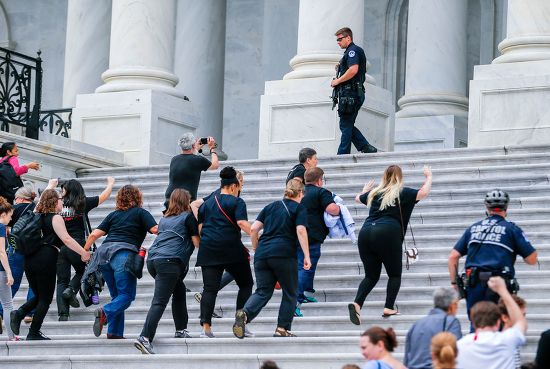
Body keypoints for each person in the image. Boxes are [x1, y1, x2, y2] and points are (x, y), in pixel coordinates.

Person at [349, 165, 432, 323]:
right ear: (399, 178)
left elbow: (357, 198)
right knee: (394, 274)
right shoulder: (402, 192)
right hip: (388, 233)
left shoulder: (375, 193)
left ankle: (357, 304)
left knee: (371, 275)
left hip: (365, 233)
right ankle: (388, 307)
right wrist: (428, 177)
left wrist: (364, 189)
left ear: (384, 177)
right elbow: (424, 192)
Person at [232, 179, 311, 338]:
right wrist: (307, 256)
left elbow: (254, 228)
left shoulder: (270, 206)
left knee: (263, 291)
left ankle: (245, 314)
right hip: (283, 254)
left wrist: (256, 247)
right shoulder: (299, 208)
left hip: (262, 254)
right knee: (290, 292)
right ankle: (282, 328)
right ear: (301, 193)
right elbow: (301, 231)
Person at [10, 189, 90, 340]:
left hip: (29, 259)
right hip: (45, 258)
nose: (62, 202)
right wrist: (83, 252)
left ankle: (19, 313)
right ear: (54, 201)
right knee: (45, 299)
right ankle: (33, 332)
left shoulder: (35, 215)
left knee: (39, 296)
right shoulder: (55, 218)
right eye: (60, 199)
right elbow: (66, 239)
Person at [448, 189, 537, 320]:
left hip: (474, 284)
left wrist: (455, 283)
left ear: (486, 207)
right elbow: (532, 259)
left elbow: (453, 257)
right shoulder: (511, 229)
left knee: (477, 323)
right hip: (499, 285)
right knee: (500, 323)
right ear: (506, 207)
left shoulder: (473, 228)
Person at [84, 185, 158, 339]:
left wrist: (84, 251)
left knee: (117, 295)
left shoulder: (113, 215)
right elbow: (156, 230)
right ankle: (105, 311)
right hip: (123, 254)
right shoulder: (141, 213)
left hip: (103, 255)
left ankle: (114, 332)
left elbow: (94, 235)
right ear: (138, 198)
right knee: (126, 295)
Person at [134, 189, 200, 354]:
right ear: (187, 201)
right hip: (169, 262)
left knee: (179, 291)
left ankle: (180, 329)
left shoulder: (164, 219)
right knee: (159, 301)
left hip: (153, 261)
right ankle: (145, 337)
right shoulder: (188, 217)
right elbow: (197, 243)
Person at [196, 166, 253, 338]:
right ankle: (240, 320)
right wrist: (258, 234)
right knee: (245, 284)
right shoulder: (237, 202)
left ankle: (206, 329)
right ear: (234, 186)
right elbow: (242, 224)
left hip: (208, 250)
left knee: (209, 289)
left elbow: (200, 229)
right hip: (231, 249)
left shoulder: (206, 204)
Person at [48, 177, 115, 321]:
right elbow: (103, 196)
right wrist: (110, 184)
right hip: (78, 245)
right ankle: (71, 290)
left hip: (60, 247)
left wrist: (50, 187)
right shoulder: (83, 203)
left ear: (65, 191)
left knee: (61, 280)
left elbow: (42, 203)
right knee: (84, 270)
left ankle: (63, 314)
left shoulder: (57, 205)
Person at [295, 167, 340, 317]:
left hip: (295, 233)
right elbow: (332, 209)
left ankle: (306, 292)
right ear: (319, 180)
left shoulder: (299, 191)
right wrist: (340, 208)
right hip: (311, 236)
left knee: (305, 265)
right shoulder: (321, 192)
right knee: (305, 266)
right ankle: (296, 301)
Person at [457, 276, 527, 369]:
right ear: (498, 321)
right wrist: (503, 291)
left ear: (473, 322)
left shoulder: (460, 345)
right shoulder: (507, 340)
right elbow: (520, 321)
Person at [330, 28, 377, 155]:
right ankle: (365, 147)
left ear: (348, 38)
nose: (338, 42)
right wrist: (341, 65)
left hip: (351, 93)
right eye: (337, 40)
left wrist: (338, 81)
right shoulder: (350, 52)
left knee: (345, 125)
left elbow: (353, 70)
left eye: (340, 39)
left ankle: (343, 154)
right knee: (347, 124)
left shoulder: (353, 51)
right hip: (352, 93)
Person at [0, 186, 36, 326]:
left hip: (16, 249)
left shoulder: (14, 209)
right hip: (34, 249)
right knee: (34, 282)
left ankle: (1, 312)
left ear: (20, 198)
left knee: (12, 282)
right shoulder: (37, 207)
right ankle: (30, 313)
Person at [404, 287, 462, 369]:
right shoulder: (451, 321)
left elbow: (406, 359)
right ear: (452, 305)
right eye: (456, 305)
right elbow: (455, 351)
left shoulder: (417, 324)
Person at [165, 133, 219, 205]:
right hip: (185, 199)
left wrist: (195, 149)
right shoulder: (198, 160)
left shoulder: (174, 159)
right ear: (193, 145)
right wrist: (212, 148)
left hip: (170, 198)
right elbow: (215, 165)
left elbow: (189, 161)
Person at [0, 197, 16, 340]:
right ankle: (11, 336)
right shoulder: (0, 227)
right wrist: (9, 273)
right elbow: (1, 252)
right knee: (7, 304)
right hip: (0, 270)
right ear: (3, 214)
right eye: (10, 216)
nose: (10, 219)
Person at [499, 295, 527, 369]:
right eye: (519, 316)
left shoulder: (514, 339)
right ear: (505, 318)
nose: (522, 320)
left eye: (523, 316)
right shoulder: (503, 342)